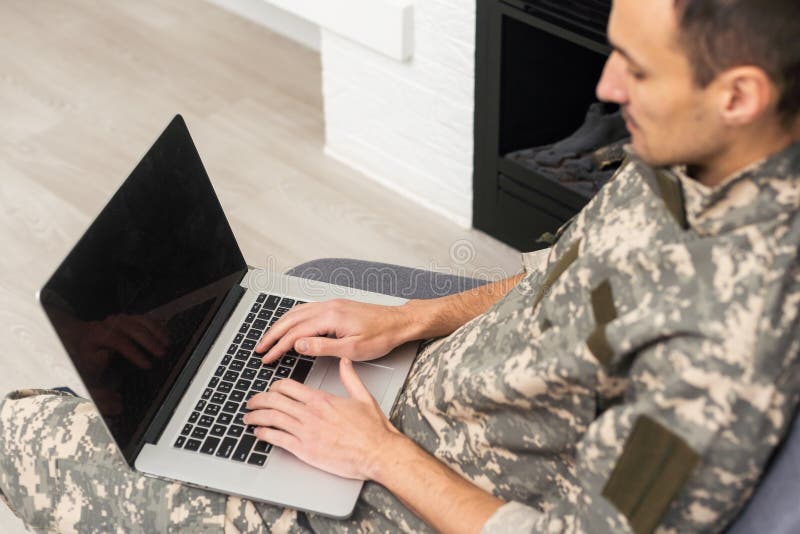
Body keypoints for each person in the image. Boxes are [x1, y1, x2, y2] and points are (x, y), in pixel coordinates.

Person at [1, 0, 798, 532]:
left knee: (19, 426)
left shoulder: (722, 357)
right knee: (163, 378)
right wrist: (410, 320)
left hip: (393, 502)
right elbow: (561, 270)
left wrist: (376, 453)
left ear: (739, 94)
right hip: (403, 403)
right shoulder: (688, 155)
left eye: (638, 68)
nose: (605, 85)